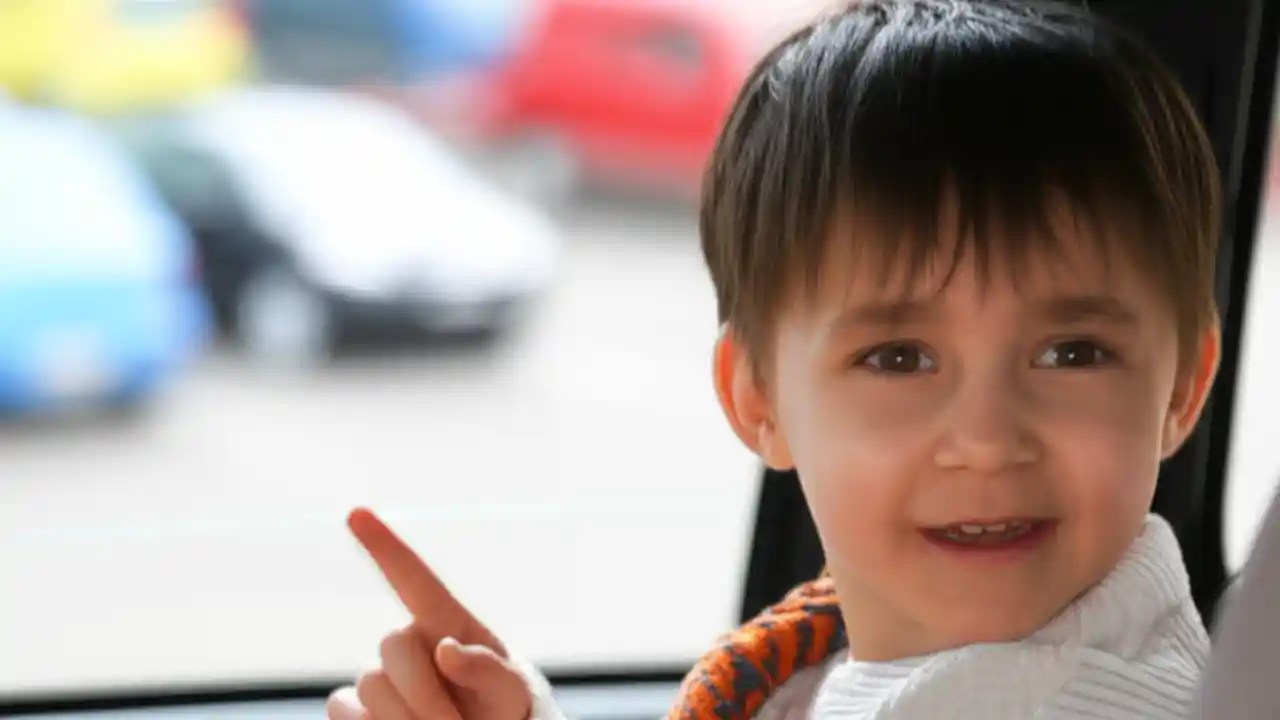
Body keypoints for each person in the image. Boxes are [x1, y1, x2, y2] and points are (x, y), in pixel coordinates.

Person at [326, 0, 1223, 717]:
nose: (987, 441)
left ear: (1183, 386)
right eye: (900, 358)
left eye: (1072, 353)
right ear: (757, 398)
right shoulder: (854, 646)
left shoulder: (1037, 700)